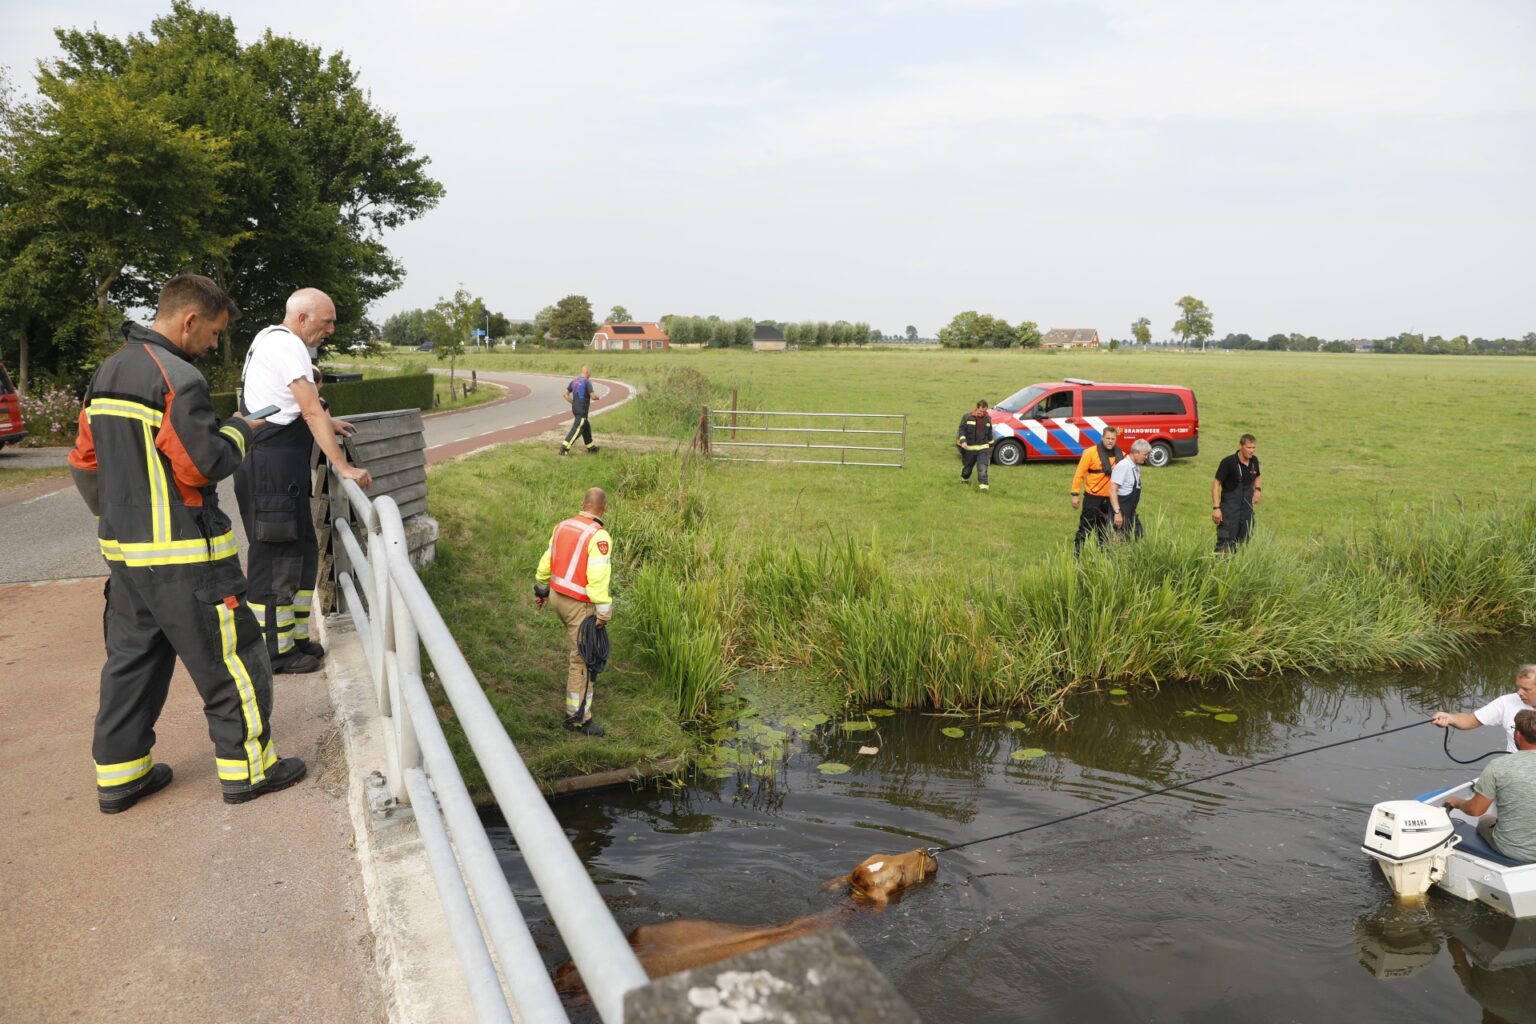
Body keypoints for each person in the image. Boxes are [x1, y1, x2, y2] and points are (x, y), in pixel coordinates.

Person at [66, 274, 305, 812]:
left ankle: (122, 777)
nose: (215, 344)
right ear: (190, 320)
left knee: (131, 664)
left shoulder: (107, 373)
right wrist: (243, 428)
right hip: (188, 558)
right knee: (231, 660)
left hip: (126, 557)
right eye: (216, 333)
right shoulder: (178, 378)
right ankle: (250, 771)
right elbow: (204, 465)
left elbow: (83, 460)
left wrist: (117, 516)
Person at [235, 288, 372, 673]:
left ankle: (294, 639)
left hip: (277, 472)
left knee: (299, 554)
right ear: (302, 319)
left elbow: (284, 405)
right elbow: (310, 410)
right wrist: (344, 467)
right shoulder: (289, 346)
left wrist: (329, 422)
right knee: (276, 563)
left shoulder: (267, 340)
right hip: (272, 472)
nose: (330, 330)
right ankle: (274, 654)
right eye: (326, 321)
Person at [533, 487, 613, 736]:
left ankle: (577, 709)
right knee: (582, 660)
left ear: (583, 503)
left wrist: (541, 589)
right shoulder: (599, 537)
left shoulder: (563, 526)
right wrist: (603, 612)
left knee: (578, 653)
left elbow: (548, 559)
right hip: (579, 604)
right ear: (604, 508)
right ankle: (578, 718)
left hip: (558, 597)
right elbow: (597, 577)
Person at [1443, 709, 1536, 863]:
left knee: (1485, 819)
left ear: (1518, 735)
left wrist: (1457, 802)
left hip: (1513, 850)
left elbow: (1475, 810)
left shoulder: (1498, 766)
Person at [1433, 664, 1536, 753]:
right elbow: (1471, 720)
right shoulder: (1507, 702)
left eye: (1526, 689)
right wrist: (1450, 719)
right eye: (1519, 687)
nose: (1519, 692)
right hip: (1513, 769)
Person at [1070, 425, 1120, 556]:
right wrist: (1075, 494)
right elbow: (1079, 474)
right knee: (1085, 529)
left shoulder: (1121, 455)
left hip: (1111, 499)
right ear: (1102, 438)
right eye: (1108, 438)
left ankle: (1102, 559)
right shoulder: (1090, 453)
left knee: (1105, 531)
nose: (1110, 441)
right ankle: (1077, 556)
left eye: (1113, 439)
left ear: (1116, 439)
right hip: (1093, 498)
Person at [1212, 433, 1262, 552]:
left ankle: (1237, 570)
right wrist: (1216, 508)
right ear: (1240, 446)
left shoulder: (1254, 461)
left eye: (1253, 447)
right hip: (1229, 512)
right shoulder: (1228, 462)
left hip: (1247, 512)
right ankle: (1218, 570)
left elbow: (1257, 476)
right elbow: (1216, 484)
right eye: (1248, 447)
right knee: (1224, 547)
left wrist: (1258, 490)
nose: (1252, 451)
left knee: (1243, 546)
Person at [1110, 438, 1150, 540]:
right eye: (1145, 454)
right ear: (1136, 453)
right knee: (1121, 541)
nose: (1146, 457)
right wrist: (1117, 513)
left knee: (1138, 535)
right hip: (1121, 512)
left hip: (1131, 512)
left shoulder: (1135, 467)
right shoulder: (1123, 466)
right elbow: (1112, 490)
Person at [955, 399, 993, 492]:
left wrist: (991, 447)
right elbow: (962, 430)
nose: (982, 413)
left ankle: (984, 487)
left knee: (982, 468)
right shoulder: (967, 417)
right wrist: (963, 441)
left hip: (983, 448)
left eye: (984, 411)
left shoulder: (988, 419)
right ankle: (964, 478)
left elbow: (990, 435)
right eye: (981, 411)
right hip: (969, 449)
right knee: (967, 470)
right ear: (977, 408)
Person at [560, 365, 599, 456]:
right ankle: (564, 448)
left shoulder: (574, 381)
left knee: (585, 427)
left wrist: (573, 402)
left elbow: (565, 394)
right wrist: (598, 397)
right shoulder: (587, 382)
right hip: (582, 409)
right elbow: (593, 396)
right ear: (588, 372)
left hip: (575, 408)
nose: (591, 374)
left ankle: (591, 448)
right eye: (590, 372)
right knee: (577, 429)